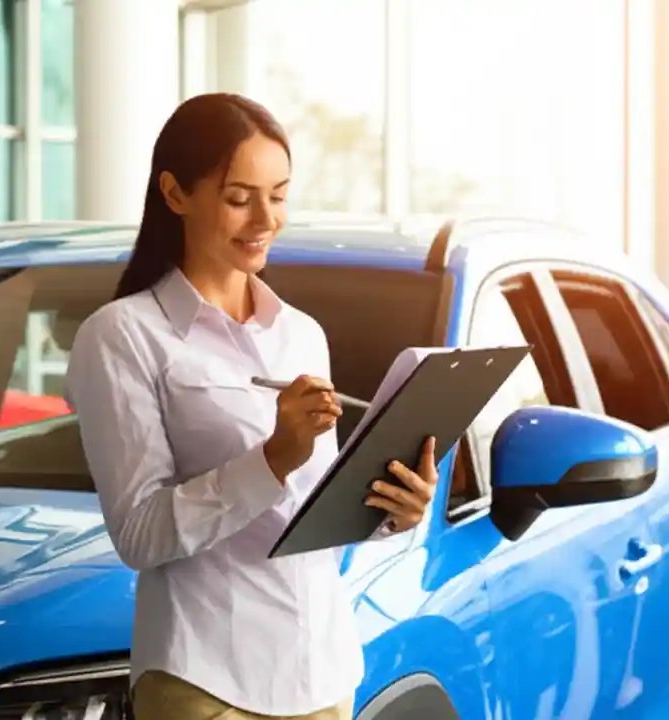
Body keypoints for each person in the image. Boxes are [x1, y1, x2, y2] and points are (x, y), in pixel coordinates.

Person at [64, 93, 439, 720]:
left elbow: (310, 511)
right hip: (207, 683)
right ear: (176, 194)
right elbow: (139, 535)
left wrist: (393, 511)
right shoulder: (123, 336)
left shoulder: (301, 334)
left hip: (322, 674)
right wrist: (271, 459)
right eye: (240, 198)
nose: (265, 218)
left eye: (280, 194)